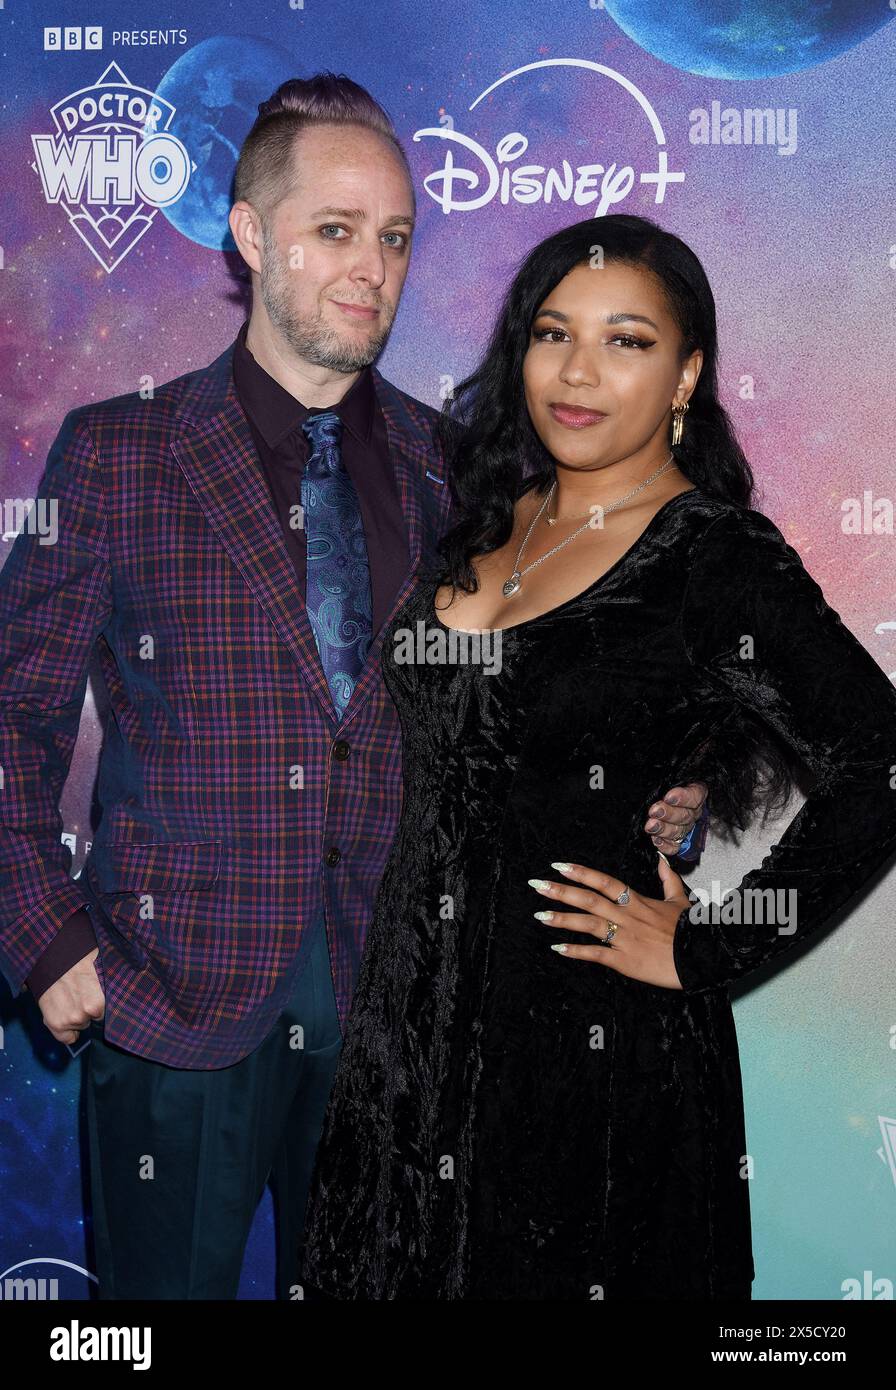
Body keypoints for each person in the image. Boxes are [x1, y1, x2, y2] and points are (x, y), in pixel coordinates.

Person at [0, 80, 706, 1300]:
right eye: (334, 230)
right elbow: (12, 715)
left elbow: (535, 705)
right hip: (174, 1008)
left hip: (402, 1018)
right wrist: (43, 935)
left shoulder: (462, 468)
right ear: (250, 234)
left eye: (392, 238)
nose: (369, 267)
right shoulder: (118, 451)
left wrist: (660, 782)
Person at [299, 213, 896, 1300]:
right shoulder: (483, 517)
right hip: (407, 1039)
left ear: (686, 373)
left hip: (585, 1058)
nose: (576, 371)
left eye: (624, 340)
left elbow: (879, 764)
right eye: (550, 332)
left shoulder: (713, 559)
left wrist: (701, 951)